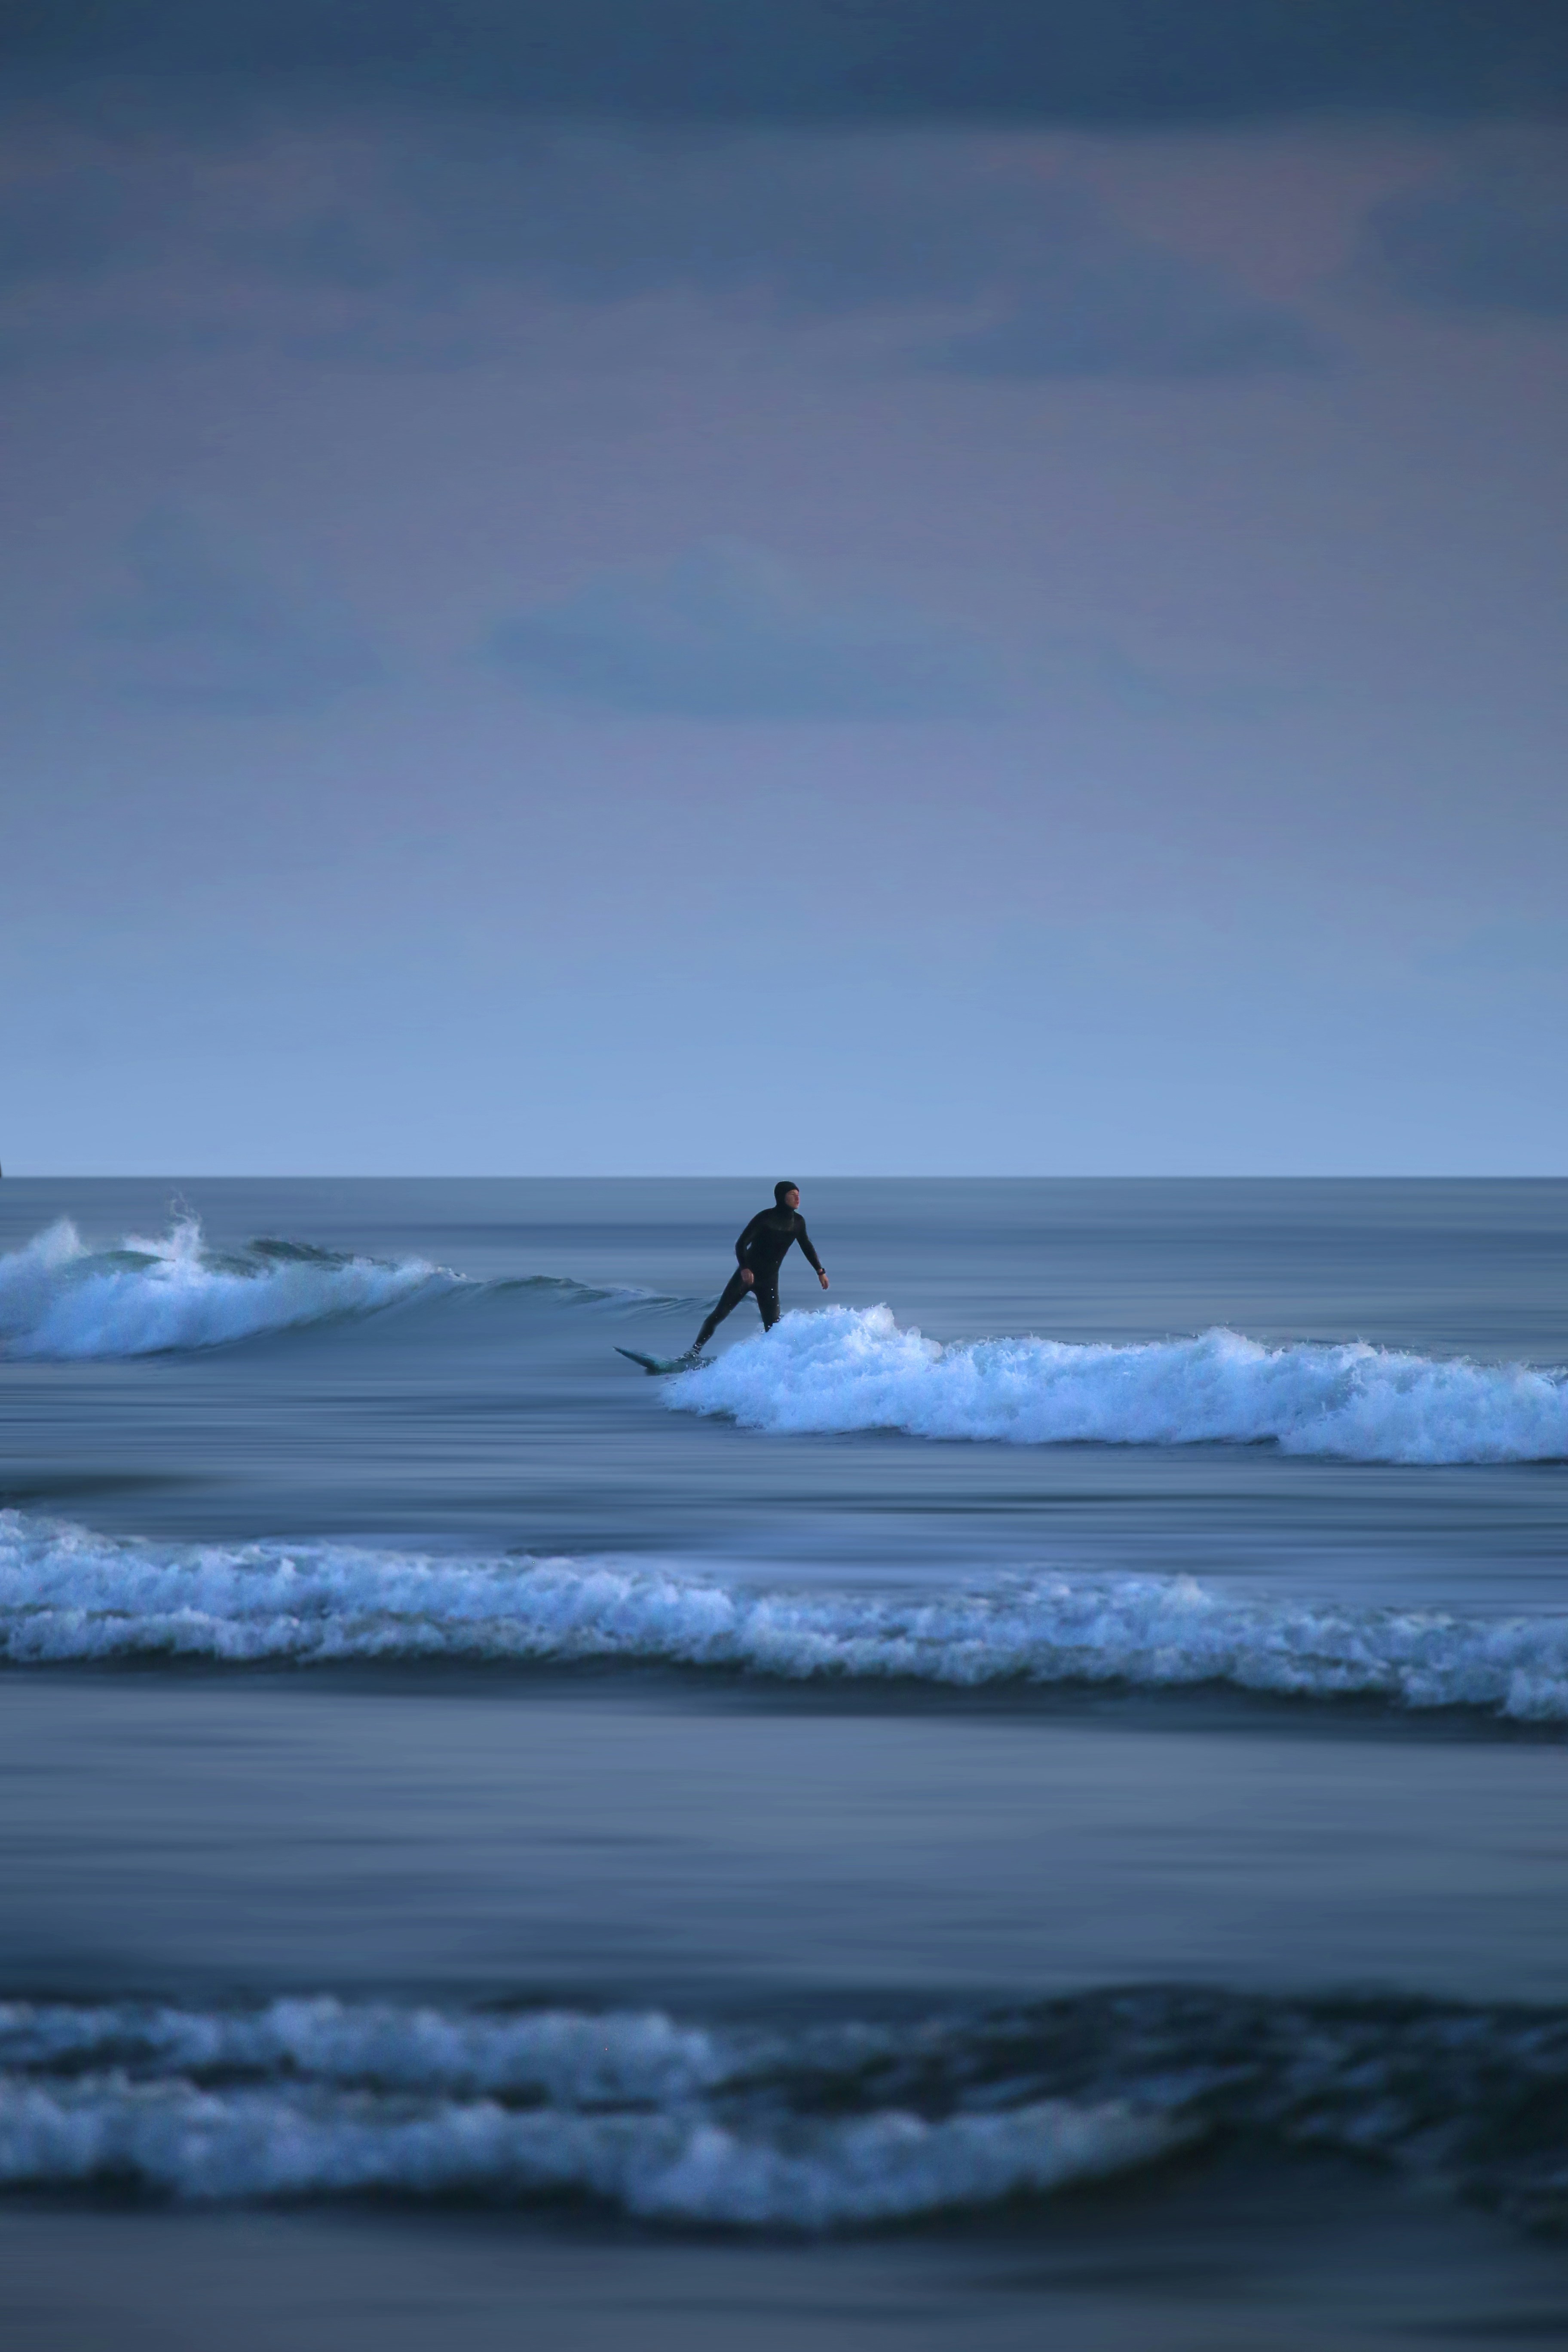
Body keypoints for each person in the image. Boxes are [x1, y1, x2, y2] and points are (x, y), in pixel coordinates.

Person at [693, 1182, 829, 1353]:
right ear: (781, 1197)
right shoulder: (765, 1218)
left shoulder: (798, 1223)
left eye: (798, 1194)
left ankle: (771, 1359)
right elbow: (741, 1244)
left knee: (773, 1328)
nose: (797, 1198)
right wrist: (744, 1268)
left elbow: (807, 1247)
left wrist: (820, 1271)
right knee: (719, 1314)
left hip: (769, 1280)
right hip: (747, 1276)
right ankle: (693, 1353)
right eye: (792, 1194)